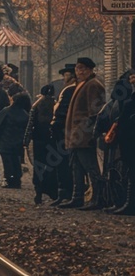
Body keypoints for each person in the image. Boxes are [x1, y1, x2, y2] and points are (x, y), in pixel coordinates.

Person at [61, 56, 107, 210]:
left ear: (89, 70)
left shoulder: (93, 85)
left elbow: (94, 112)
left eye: (82, 68)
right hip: (75, 135)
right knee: (76, 167)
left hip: (83, 136)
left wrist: (88, 133)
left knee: (90, 167)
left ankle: (98, 198)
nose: (79, 71)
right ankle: (77, 197)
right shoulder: (83, 84)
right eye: (77, 68)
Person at [24, 84, 59, 205]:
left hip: (38, 138)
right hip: (52, 139)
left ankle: (38, 191)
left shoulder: (36, 105)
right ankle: (52, 190)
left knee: (38, 164)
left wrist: (26, 140)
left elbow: (30, 124)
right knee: (52, 163)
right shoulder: (55, 104)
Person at [49, 64, 77, 206]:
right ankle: (65, 192)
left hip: (63, 131)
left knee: (63, 162)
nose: (64, 77)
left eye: (65, 74)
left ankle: (65, 192)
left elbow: (62, 112)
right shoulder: (71, 89)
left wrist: (55, 124)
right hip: (66, 131)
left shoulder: (70, 90)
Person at [109, 70, 135, 215]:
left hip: (129, 139)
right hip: (127, 140)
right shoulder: (129, 99)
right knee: (129, 173)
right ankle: (127, 202)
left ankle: (129, 204)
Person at [0, 92, 31, 189]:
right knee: (16, 160)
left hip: (5, 140)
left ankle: (10, 180)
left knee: (7, 162)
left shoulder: (6, 111)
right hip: (18, 142)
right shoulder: (25, 114)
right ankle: (17, 179)